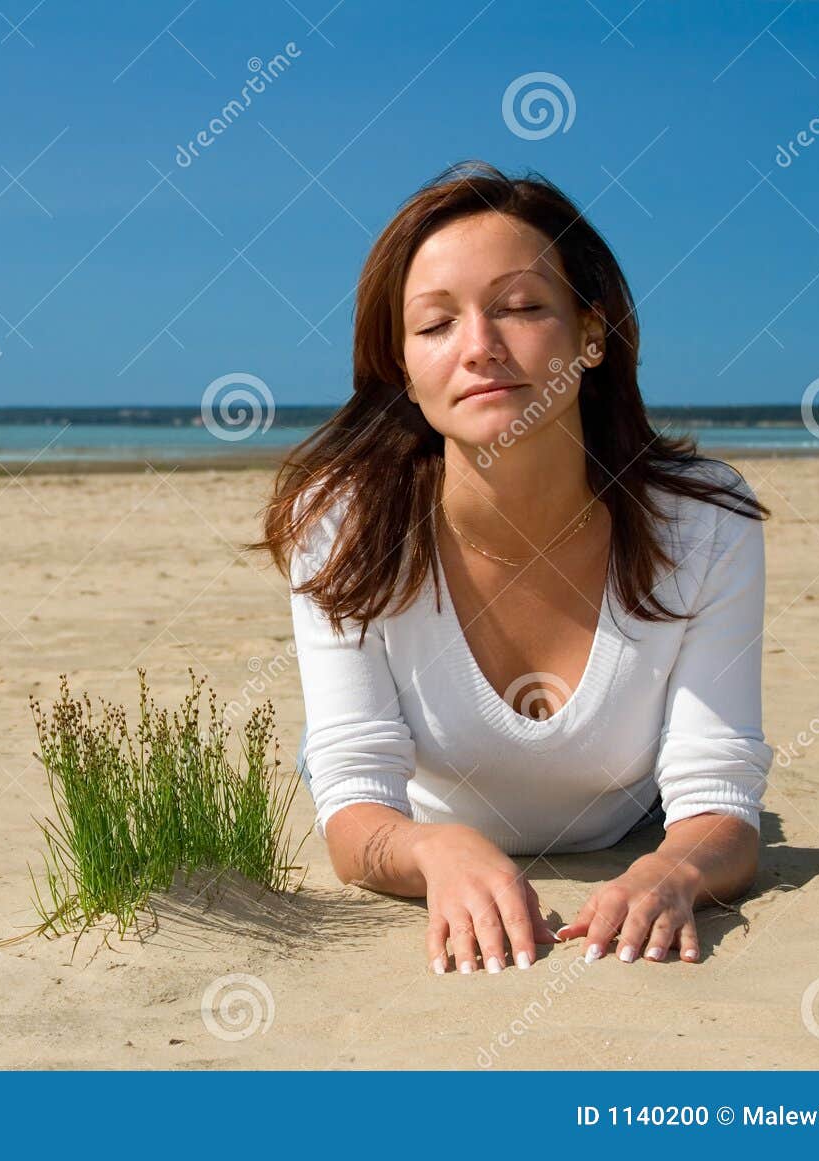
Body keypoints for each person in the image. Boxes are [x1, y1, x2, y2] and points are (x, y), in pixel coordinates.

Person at [251, 161, 772, 975]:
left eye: (523, 308)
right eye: (435, 326)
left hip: (626, 820)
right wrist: (435, 851)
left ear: (592, 333)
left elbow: (720, 797)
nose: (480, 349)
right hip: (427, 816)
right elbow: (356, 798)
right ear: (402, 367)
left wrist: (671, 869)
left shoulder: (703, 524)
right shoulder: (346, 524)